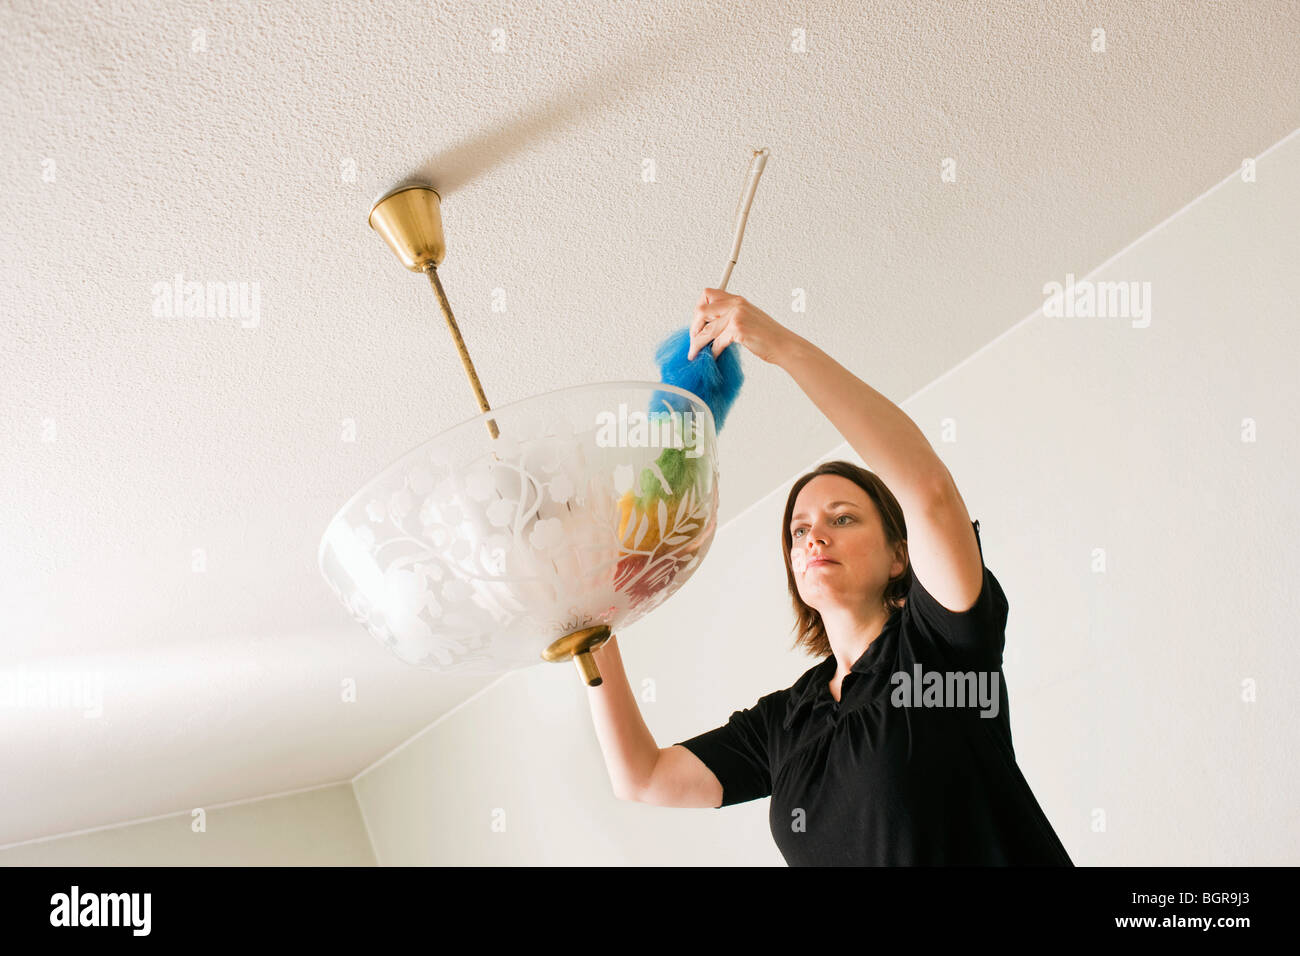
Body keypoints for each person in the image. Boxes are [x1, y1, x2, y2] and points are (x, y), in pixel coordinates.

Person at [585, 288, 1074, 866]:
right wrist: (593, 616)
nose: (814, 537)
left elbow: (931, 495)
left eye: (842, 519)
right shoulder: (785, 722)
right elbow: (642, 776)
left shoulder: (940, 648)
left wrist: (785, 349)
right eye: (798, 530)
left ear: (901, 555)